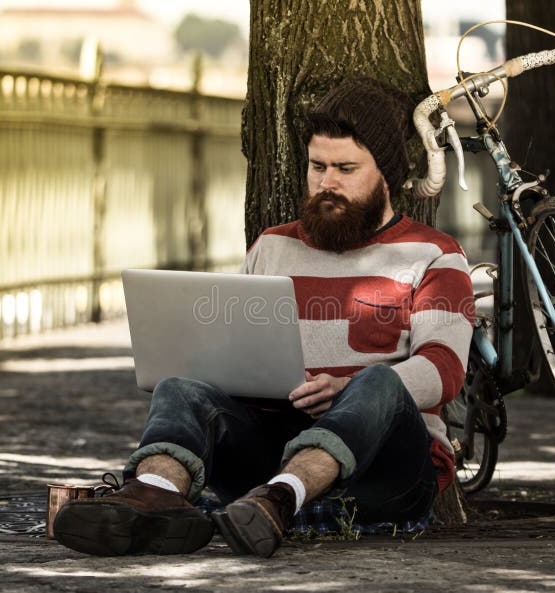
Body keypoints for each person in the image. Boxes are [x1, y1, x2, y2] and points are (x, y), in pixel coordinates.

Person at [53, 76, 475, 558]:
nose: (326, 183)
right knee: (179, 387)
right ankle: (156, 495)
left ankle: (282, 499)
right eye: (317, 166)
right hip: (269, 454)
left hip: (385, 474)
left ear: (387, 174)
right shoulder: (272, 246)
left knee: (379, 382)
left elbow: (444, 369)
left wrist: (347, 387)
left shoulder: (435, 254)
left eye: (346, 169)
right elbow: (230, 351)